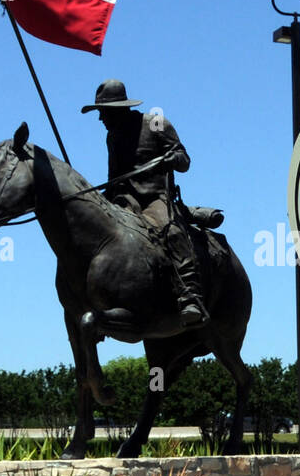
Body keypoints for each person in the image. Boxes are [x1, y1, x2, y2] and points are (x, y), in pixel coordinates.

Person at [81, 78, 207, 325]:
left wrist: (170, 159)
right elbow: (113, 176)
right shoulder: (112, 137)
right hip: (123, 200)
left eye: (103, 112)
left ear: (119, 108)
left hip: (154, 198)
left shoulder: (155, 123)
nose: (100, 119)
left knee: (170, 231)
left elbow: (185, 160)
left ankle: (190, 295)